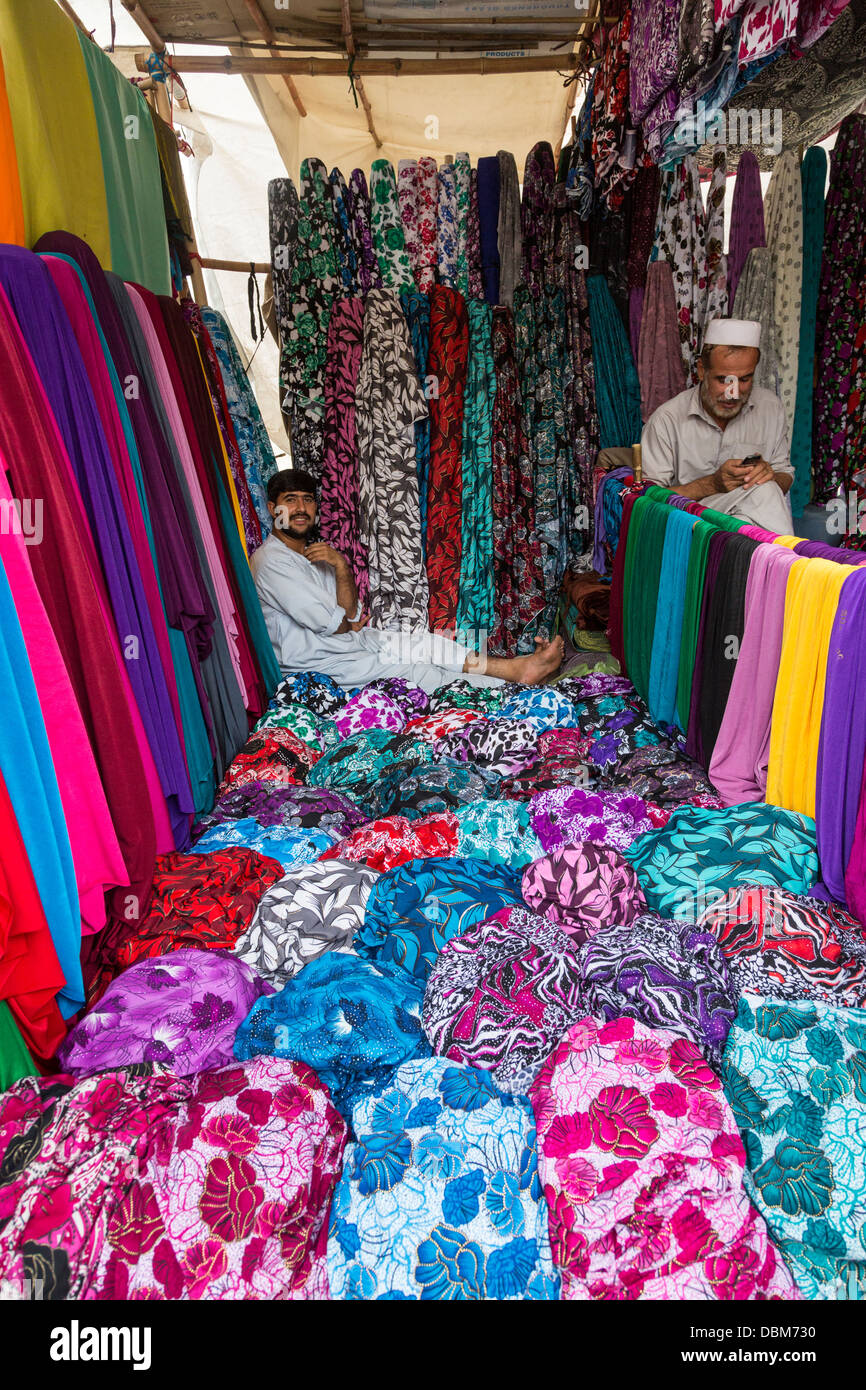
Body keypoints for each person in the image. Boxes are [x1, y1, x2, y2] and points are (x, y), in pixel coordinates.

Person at [250, 469, 564, 692]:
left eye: (307, 499)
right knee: (418, 672)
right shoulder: (271, 561)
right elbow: (333, 623)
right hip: (323, 665)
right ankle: (514, 691)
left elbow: (352, 616)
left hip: (348, 646)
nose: (301, 509)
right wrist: (344, 619)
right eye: (290, 500)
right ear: (271, 508)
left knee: (426, 642)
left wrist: (342, 568)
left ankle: (514, 669)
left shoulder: (316, 555)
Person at [640, 317, 794, 534]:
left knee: (761, 496)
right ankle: (789, 563)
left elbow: (784, 473)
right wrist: (711, 485)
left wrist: (768, 475)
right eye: (723, 380)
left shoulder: (770, 408)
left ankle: (779, 562)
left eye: (744, 379)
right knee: (763, 497)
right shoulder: (667, 419)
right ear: (702, 370)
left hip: (748, 526)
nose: (734, 392)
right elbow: (647, 500)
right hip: (689, 528)